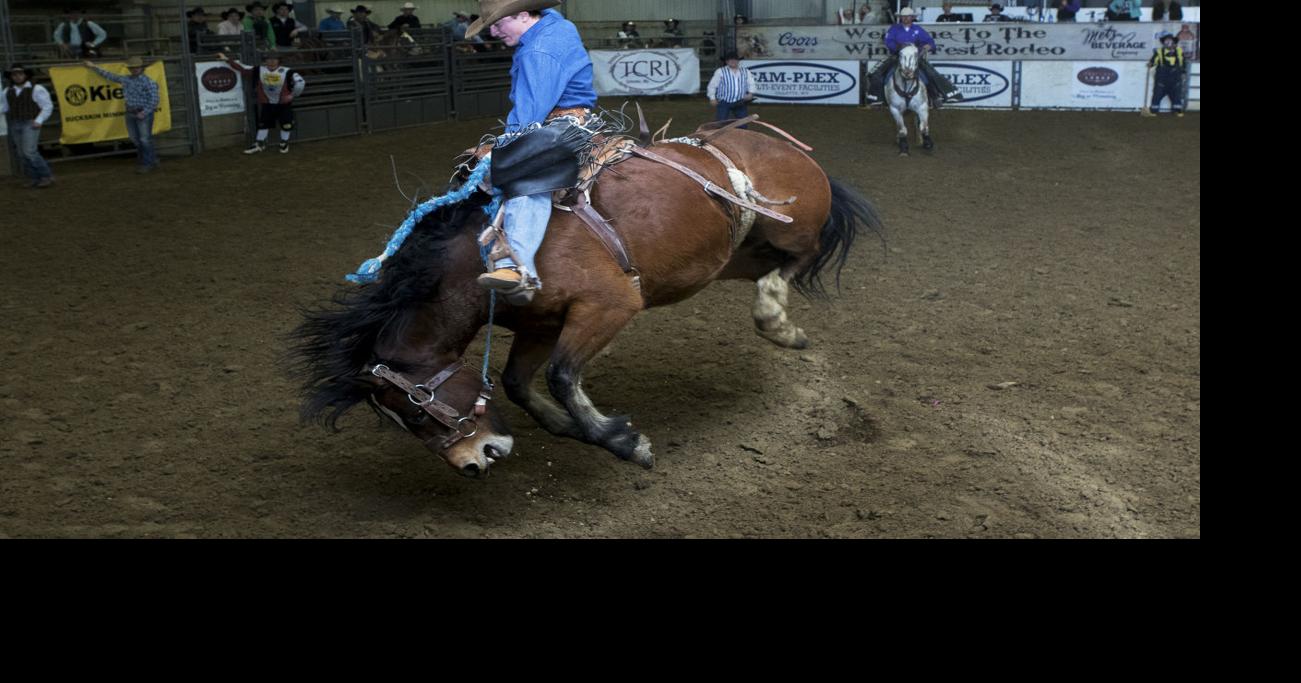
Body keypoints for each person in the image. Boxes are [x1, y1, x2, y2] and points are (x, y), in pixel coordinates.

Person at [462, 0, 597, 294]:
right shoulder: (554, 23)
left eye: (498, 24)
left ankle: (516, 267)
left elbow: (530, 115)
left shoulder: (538, 51)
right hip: (575, 116)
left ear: (524, 15)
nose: (495, 33)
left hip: (558, 125)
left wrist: (506, 144)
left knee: (525, 171)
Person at [866, 8, 963, 105]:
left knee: (932, 73)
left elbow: (930, 41)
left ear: (912, 17)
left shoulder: (917, 29)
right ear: (900, 17)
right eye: (903, 16)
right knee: (876, 72)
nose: (905, 18)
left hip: (915, 57)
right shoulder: (894, 28)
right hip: (897, 56)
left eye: (908, 16)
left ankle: (942, 95)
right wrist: (899, 48)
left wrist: (928, 46)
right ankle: (876, 97)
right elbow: (888, 41)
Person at [217, 50, 306, 153]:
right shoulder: (259, 70)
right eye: (269, 59)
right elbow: (243, 68)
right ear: (265, 61)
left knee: (286, 124)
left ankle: (284, 143)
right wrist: (227, 59)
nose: (272, 61)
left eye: (274, 59)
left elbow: (300, 82)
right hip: (267, 103)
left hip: (283, 103)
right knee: (264, 124)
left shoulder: (288, 71)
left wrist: (292, 95)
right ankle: (260, 143)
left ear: (278, 61)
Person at [84, 57, 161, 173]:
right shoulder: (126, 79)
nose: (134, 69)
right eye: (132, 67)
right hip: (131, 113)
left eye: (136, 67)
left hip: (142, 113)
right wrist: (94, 67)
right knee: (137, 139)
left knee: (144, 139)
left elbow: (154, 100)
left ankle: (146, 163)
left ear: (141, 68)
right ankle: (151, 159)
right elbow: (110, 75)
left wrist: (144, 112)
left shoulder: (148, 82)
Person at [2, 65, 55, 189]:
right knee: (21, 153)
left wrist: (39, 120)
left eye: (20, 74)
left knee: (29, 152)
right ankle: (34, 177)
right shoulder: (7, 91)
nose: (17, 76)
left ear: (25, 75)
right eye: (14, 74)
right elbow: (5, 107)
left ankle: (46, 175)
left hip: (30, 123)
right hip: (15, 123)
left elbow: (47, 106)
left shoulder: (37, 89)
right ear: (11, 77)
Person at [1143, 32, 1186, 118]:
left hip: (1176, 78)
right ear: (1164, 43)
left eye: (1170, 41)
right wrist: (1150, 64)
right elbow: (1154, 61)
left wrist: (1183, 72)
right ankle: (1154, 111)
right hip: (1162, 78)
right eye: (1167, 41)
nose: (1169, 43)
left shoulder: (1179, 51)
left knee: (1176, 95)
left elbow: (1182, 62)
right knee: (1157, 94)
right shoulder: (1159, 51)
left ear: (1174, 42)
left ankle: (1177, 111)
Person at [708, 51, 756, 124]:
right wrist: (712, 98)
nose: (733, 61)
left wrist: (751, 93)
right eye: (730, 60)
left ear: (738, 61)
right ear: (726, 61)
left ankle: (741, 135)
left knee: (743, 123)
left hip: (740, 101)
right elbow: (712, 85)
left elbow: (751, 83)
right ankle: (721, 135)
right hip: (724, 101)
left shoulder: (746, 71)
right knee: (721, 122)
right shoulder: (720, 71)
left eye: (735, 59)